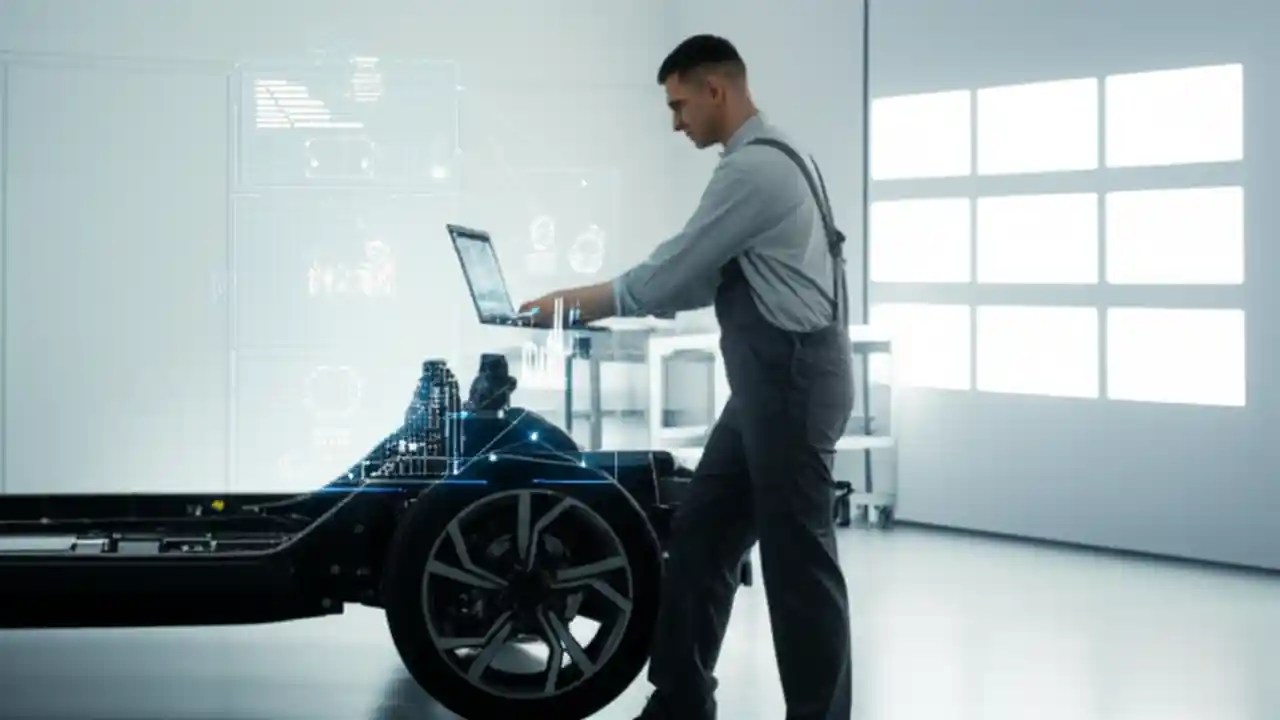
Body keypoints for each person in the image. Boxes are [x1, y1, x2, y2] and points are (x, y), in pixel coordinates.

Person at [517, 34, 854, 720]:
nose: (676, 123)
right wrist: (596, 306)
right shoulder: (778, 158)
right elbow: (701, 278)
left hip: (791, 382)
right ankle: (680, 702)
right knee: (703, 537)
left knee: (798, 564)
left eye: (679, 106)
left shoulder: (754, 171)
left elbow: (671, 272)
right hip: (774, 384)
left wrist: (569, 303)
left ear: (715, 90)